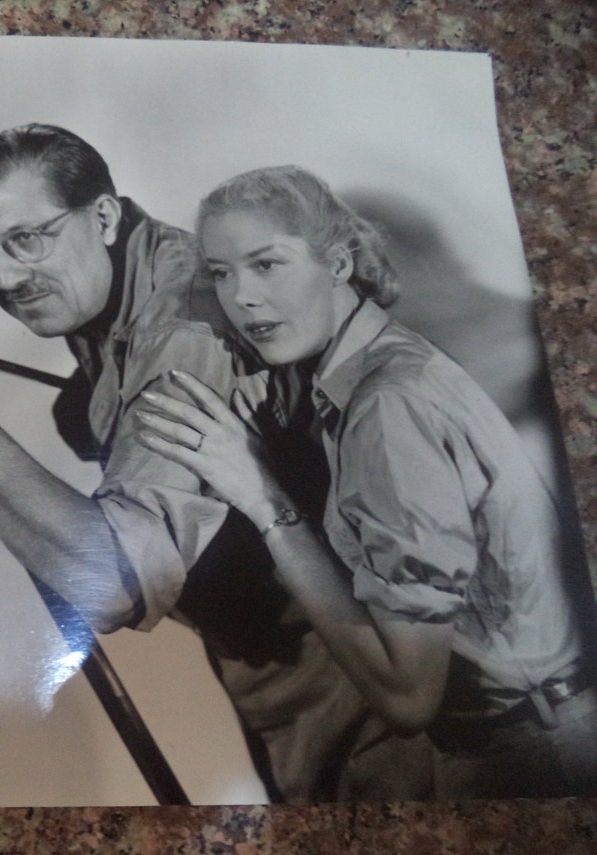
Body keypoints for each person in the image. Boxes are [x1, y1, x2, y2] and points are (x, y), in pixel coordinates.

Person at [0, 126, 430, 802]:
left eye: (27, 239)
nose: (6, 278)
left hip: (388, 706)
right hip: (292, 689)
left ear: (102, 215)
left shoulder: (185, 331)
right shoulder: (127, 282)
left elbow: (110, 584)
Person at [136, 164, 597, 798]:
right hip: (525, 740)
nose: (241, 297)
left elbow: (408, 699)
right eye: (221, 273)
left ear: (340, 263)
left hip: (532, 760)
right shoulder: (381, 367)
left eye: (267, 264)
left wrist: (263, 498)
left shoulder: (387, 408)